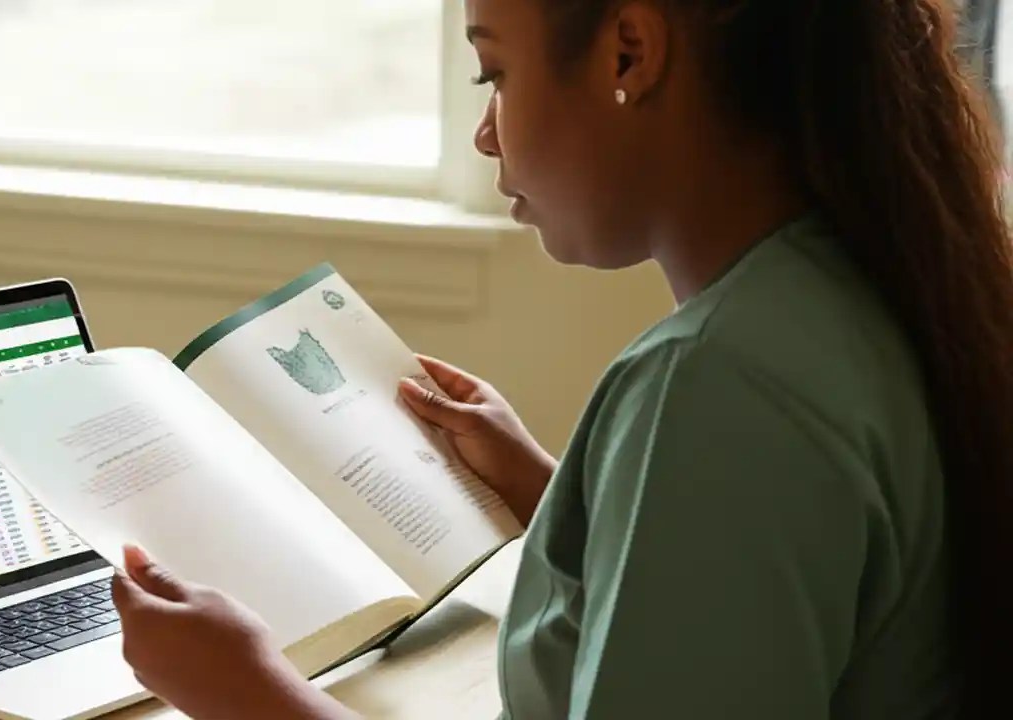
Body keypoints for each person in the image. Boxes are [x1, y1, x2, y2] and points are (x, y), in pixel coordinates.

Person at [109, 0, 1013, 717]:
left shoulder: (719, 388)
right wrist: (557, 492)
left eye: (494, 70)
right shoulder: (886, 285)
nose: (486, 133)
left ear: (629, 53)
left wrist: (251, 696)